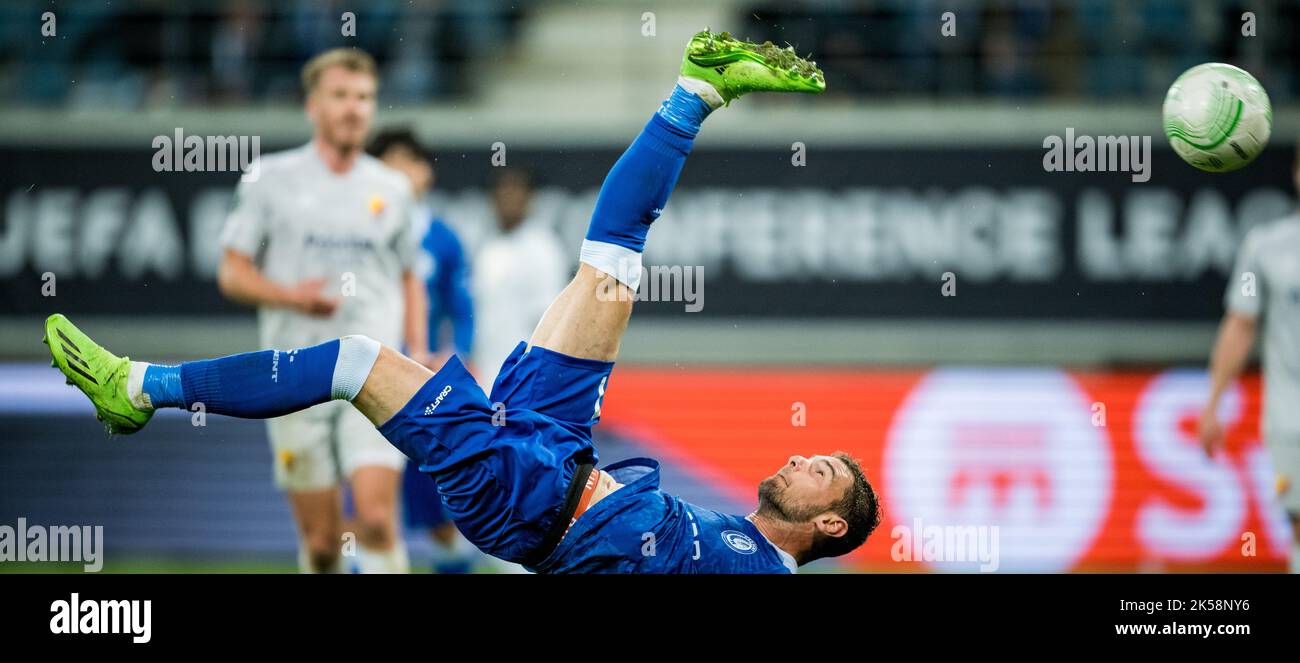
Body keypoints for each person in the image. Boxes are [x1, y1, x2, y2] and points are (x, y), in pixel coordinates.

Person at [46, 30, 880, 573]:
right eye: (819, 455)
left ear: (831, 526)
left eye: (825, 471)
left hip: (525, 498)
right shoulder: (738, 537)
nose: (806, 457)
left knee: (357, 360)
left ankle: (139, 388)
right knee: (611, 278)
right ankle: (693, 94)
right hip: (563, 447)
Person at [215, 48, 429, 573]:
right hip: (295, 375)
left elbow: (409, 274)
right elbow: (232, 272)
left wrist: (417, 351)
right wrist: (292, 297)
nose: (354, 109)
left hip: (374, 374)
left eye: (364, 98)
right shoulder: (271, 179)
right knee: (322, 542)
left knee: (378, 519)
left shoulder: (392, 188)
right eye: (340, 96)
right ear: (313, 105)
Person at [368, 127, 481, 573]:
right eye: (390, 161)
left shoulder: (442, 238)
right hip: (362, 385)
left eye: (411, 162)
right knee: (366, 511)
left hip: (420, 390)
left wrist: (461, 355)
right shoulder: (358, 231)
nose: (402, 173)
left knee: (439, 514)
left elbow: (463, 308)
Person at [1200, 142, 1300, 574]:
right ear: (1297, 174)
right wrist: (1212, 404)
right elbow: (1241, 322)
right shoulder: (1264, 247)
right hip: (1292, 417)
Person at [471, 167, 568, 389]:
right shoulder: (487, 246)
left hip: (526, 374)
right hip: (487, 368)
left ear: (529, 197)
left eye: (516, 190)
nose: (508, 197)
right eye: (502, 190)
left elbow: (549, 319)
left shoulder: (544, 249)